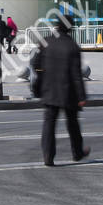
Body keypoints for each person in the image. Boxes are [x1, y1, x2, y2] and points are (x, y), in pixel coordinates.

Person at [31, 18, 87, 166]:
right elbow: (76, 74)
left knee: (49, 123)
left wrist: (42, 75)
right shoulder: (72, 46)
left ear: (57, 26)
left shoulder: (46, 41)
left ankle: (48, 157)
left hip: (49, 89)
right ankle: (77, 153)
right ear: (70, 29)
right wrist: (81, 96)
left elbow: (35, 63)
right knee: (72, 123)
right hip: (68, 91)